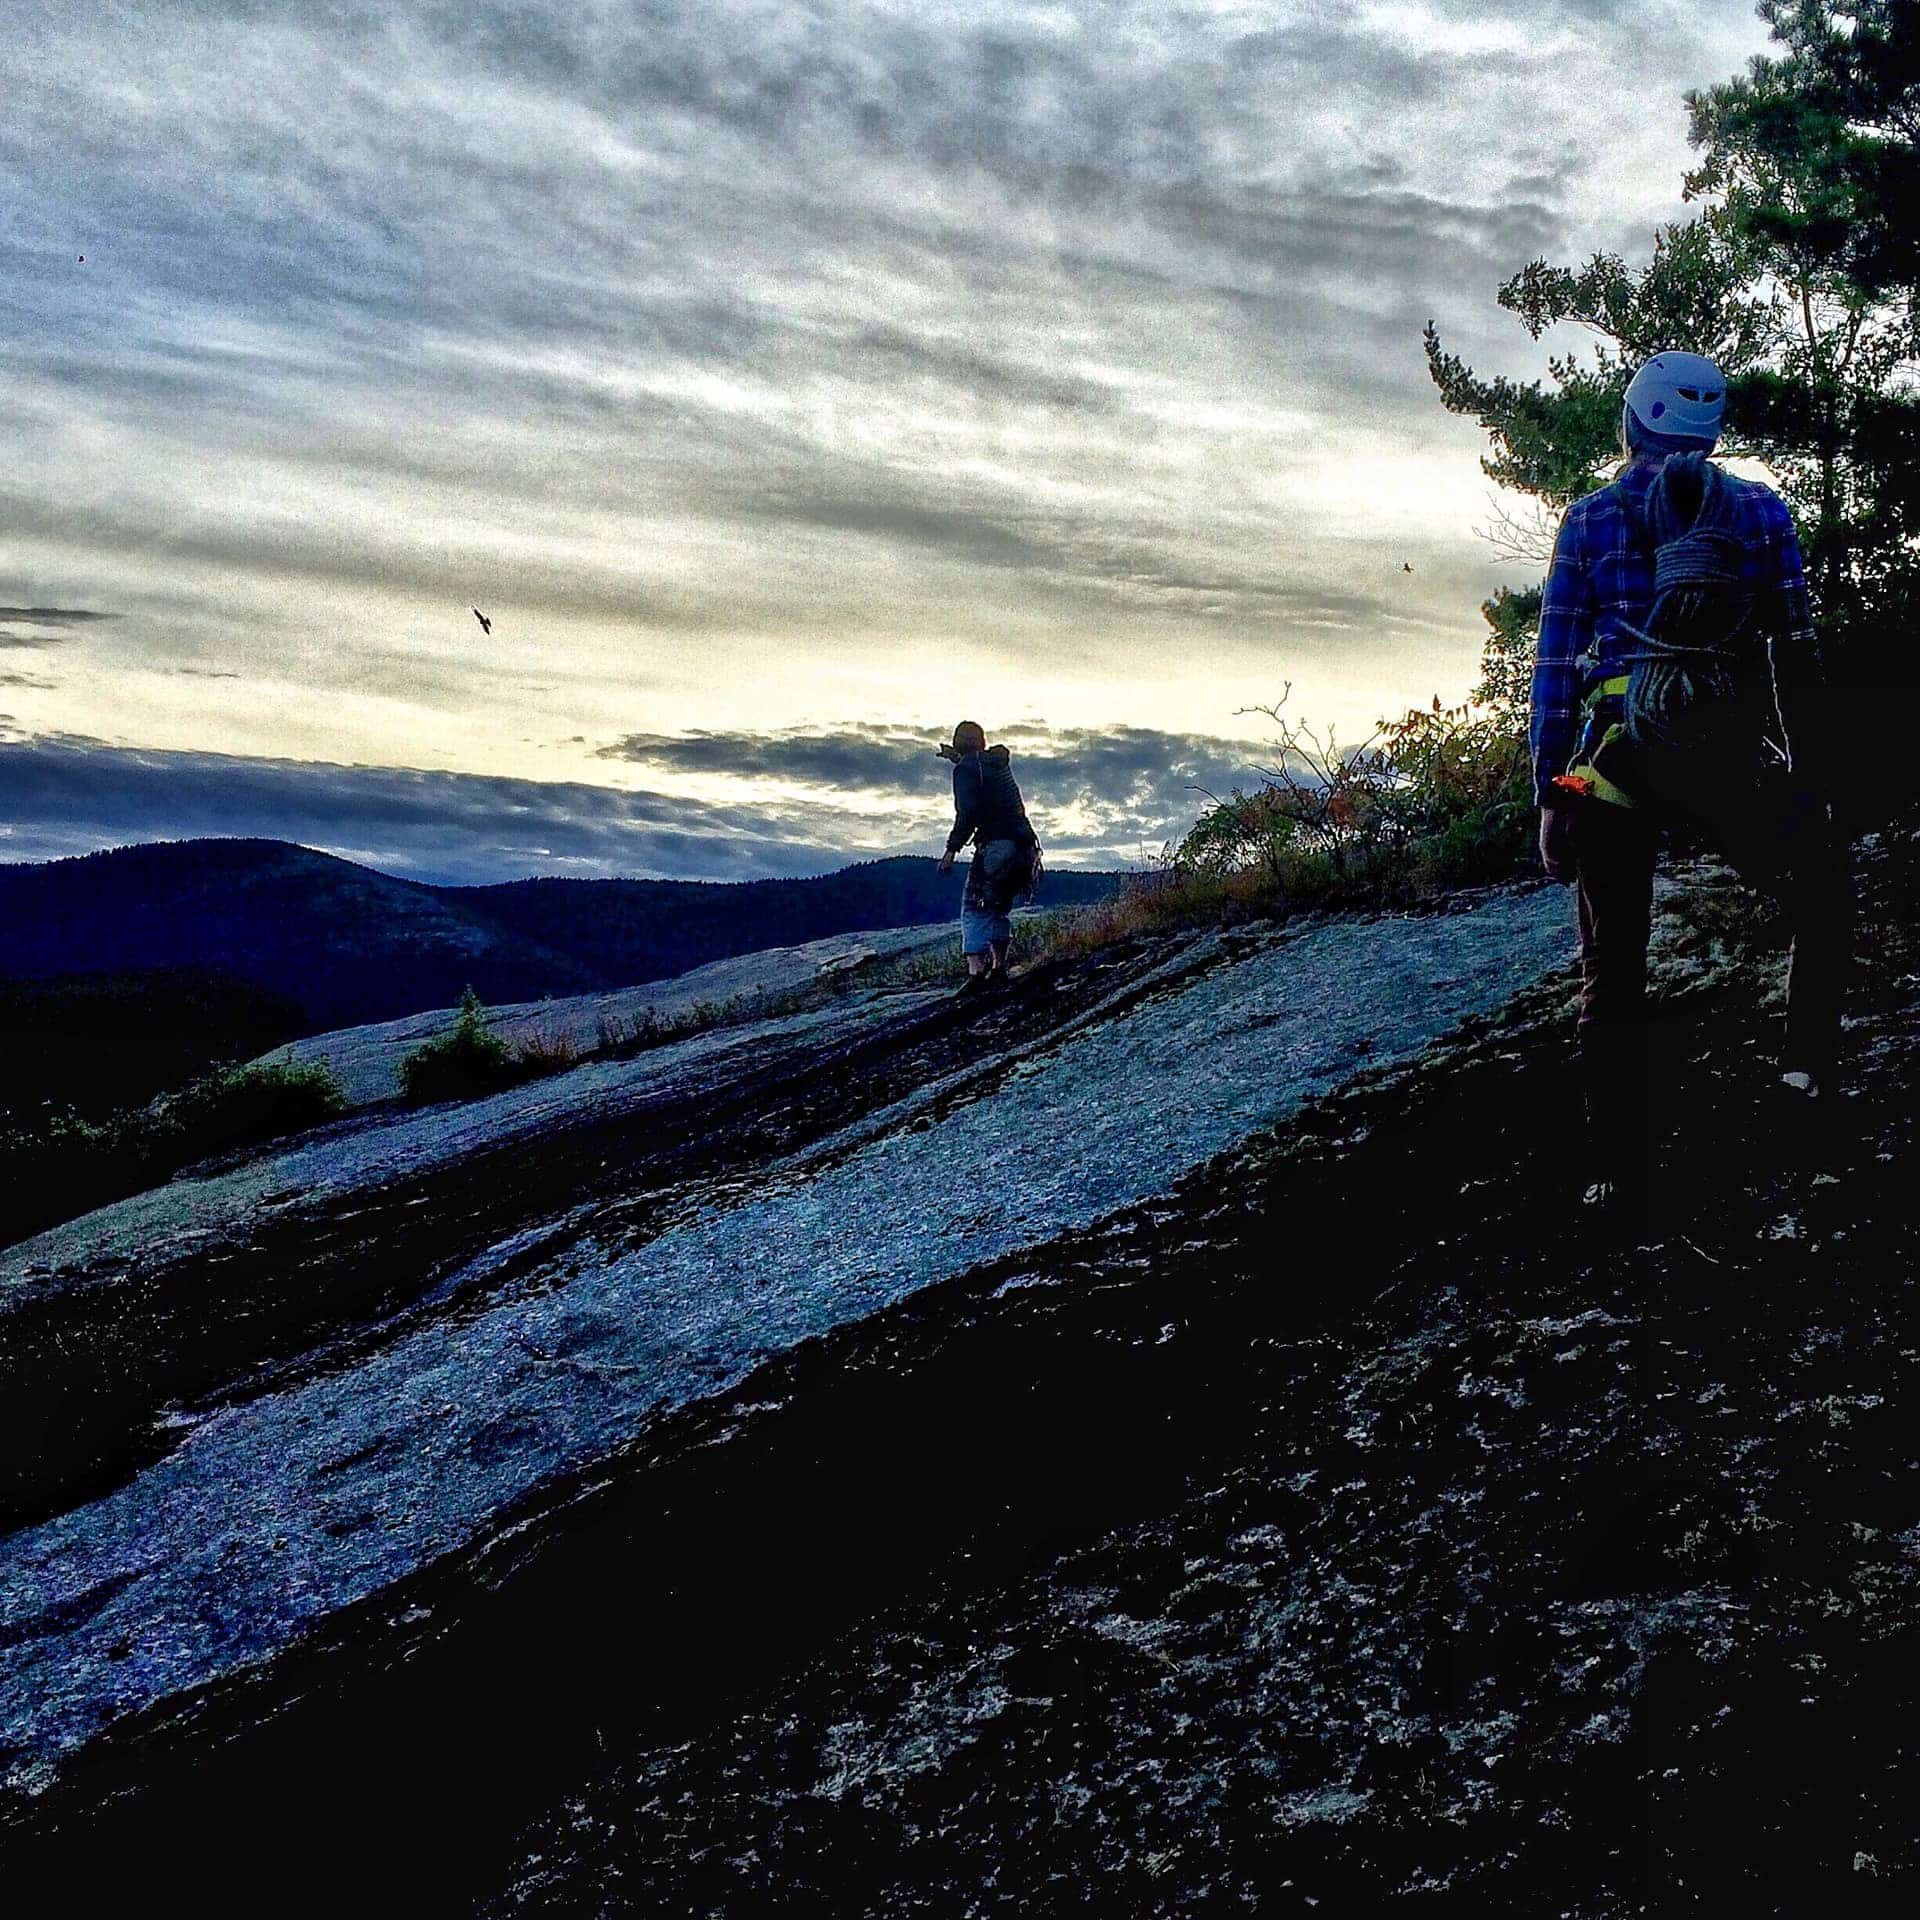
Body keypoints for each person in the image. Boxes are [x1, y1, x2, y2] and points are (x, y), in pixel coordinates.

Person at [1532, 349, 1850, 1218]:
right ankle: (1803, 1075)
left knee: (1613, 967)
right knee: (1822, 896)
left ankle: (1617, 1169)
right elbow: (1797, 655)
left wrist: (1552, 797)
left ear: (1635, 419)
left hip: (1613, 760)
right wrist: (1812, 779)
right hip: (1724, 748)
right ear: (1710, 431)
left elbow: (1555, 669)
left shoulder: (1592, 518)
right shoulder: (1762, 512)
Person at [936, 720, 1041, 999]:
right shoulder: (997, 763)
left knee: (974, 904)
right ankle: (999, 968)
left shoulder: (966, 770)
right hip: (1026, 847)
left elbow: (967, 813)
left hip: (996, 846)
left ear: (958, 741)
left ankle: (976, 973)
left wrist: (951, 850)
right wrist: (956, 757)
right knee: (999, 907)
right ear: (982, 742)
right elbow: (978, 767)